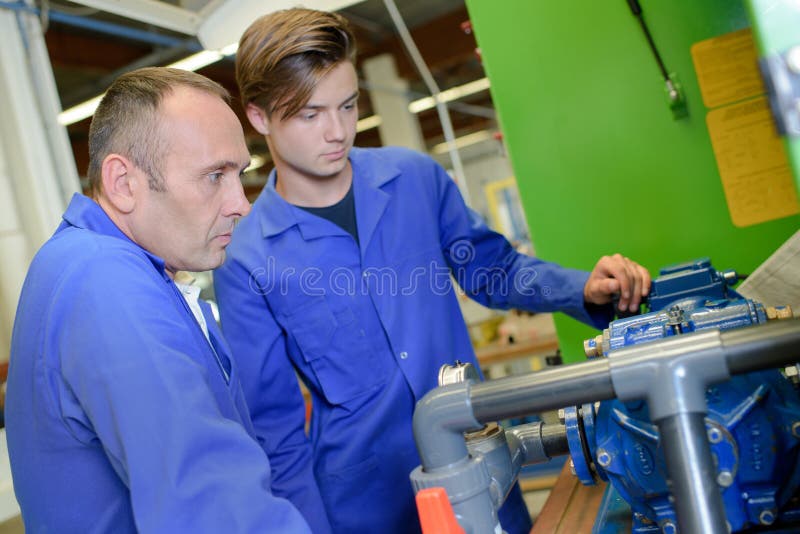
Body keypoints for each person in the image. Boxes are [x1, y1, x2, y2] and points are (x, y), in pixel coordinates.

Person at [214, 8, 651, 534]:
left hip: (477, 471)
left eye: (348, 106)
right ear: (259, 117)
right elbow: (274, 426)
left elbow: (495, 271)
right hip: (366, 504)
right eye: (310, 115)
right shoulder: (246, 258)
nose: (337, 131)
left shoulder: (415, 180)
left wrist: (583, 287)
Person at [5, 67, 312, 533]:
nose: (240, 203)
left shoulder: (96, 266)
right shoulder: (107, 284)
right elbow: (213, 508)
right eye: (214, 176)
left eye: (239, 174)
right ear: (123, 183)